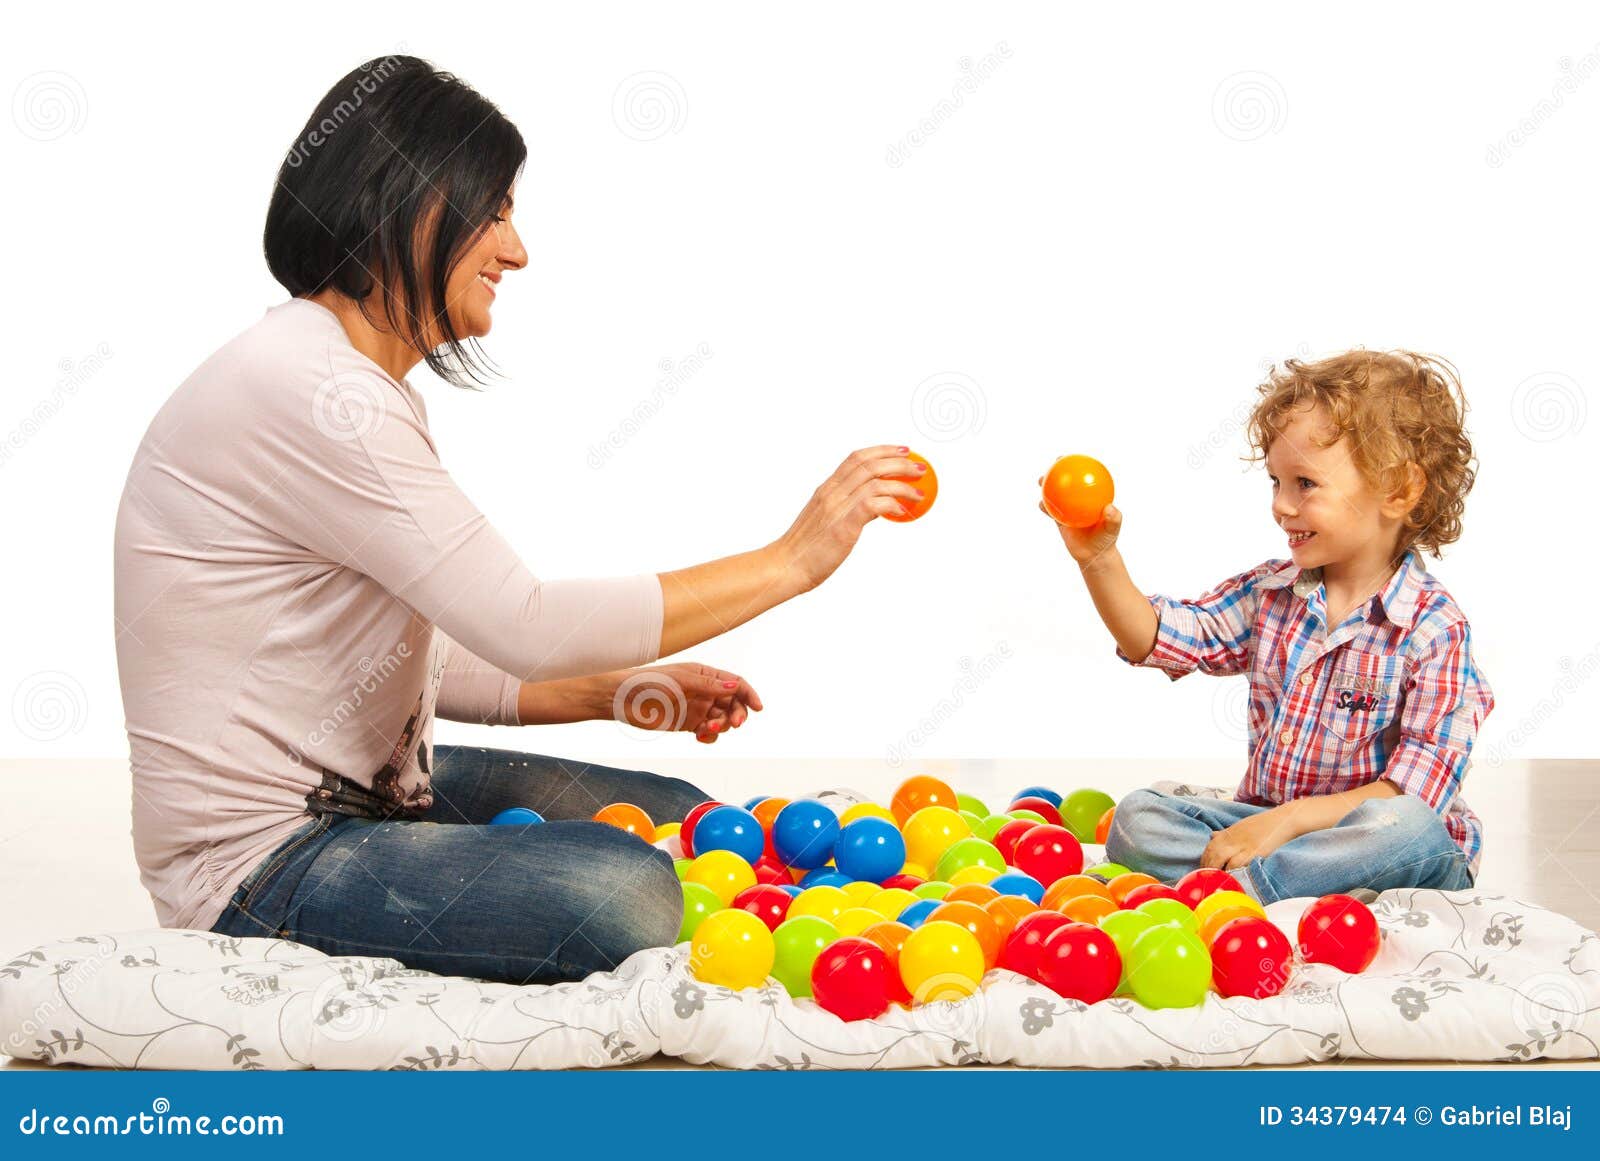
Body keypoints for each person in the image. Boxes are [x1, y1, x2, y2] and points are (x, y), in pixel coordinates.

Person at [112, 55, 929, 985]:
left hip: (373, 796)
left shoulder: (340, 379)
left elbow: (422, 656)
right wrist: (795, 560)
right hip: (259, 867)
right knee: (626, 892)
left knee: (682, 815)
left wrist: (621, 690)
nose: (517, 249)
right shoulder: (316, 391)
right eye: (495, 210)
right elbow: (524, 622)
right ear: (415, 206)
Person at [1051, 350, 1494, 903]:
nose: (1281, 506)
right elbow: (1158, 638)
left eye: (1305, 483)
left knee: (1406, 828)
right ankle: (1288, 886)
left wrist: (1289, 821)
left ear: (1399, 491)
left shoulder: (1434, 631)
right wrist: (1099, 560)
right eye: (1275, 482)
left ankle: (1242, 892)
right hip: (1266, 827)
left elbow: (1414, 797)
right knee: (1140, 818)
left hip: (1376, 841)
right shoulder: (1272, 595)